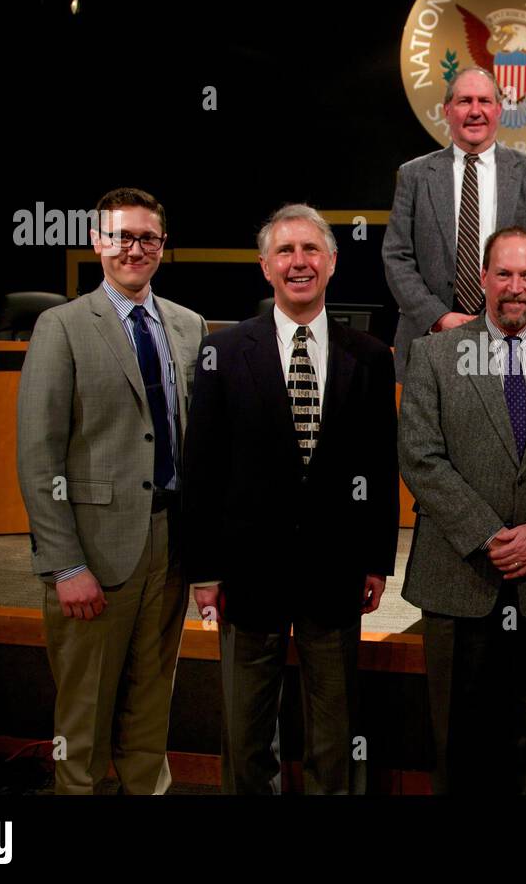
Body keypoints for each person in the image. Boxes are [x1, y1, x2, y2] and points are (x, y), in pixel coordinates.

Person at [182, 204, 398, 794]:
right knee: (246, 731)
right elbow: (201, 470)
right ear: (265, 267)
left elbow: (380, 467)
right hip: (247, 572)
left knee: (336, 728)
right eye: (286, 252)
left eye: (310, 251)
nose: (298, 262)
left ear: (330, 263)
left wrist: (377, 559)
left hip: (336, 570)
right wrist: (205, 570)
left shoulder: (373, 358)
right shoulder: (222, 353)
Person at [398, 225, 526, 794]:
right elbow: (420, 458)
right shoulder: (434, 355)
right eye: (504, 273)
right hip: (460, 574)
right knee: (459, 737)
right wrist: (490, 535)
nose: (516, 287)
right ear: (483, 279)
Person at [16, 186, 208, 794]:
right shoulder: (62, 327)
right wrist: (64, 563)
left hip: (171, 546)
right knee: (85, 719)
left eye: (147, 237)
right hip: (94, 555)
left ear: (162, 246)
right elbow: (37, 454)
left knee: (152, 706)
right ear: (98, 243)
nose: (134, 248)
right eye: (120, 236)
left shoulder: (189, 325)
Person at [382, 66, 526, 378]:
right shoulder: (414, 175)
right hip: (431, 337)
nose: (475, 111)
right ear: (447, 110)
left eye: (484, 101)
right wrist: (438, 316)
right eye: (465, 101)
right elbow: (396, 256)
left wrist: (506, 313)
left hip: (512, 336)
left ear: (499, 109)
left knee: (509, 428)